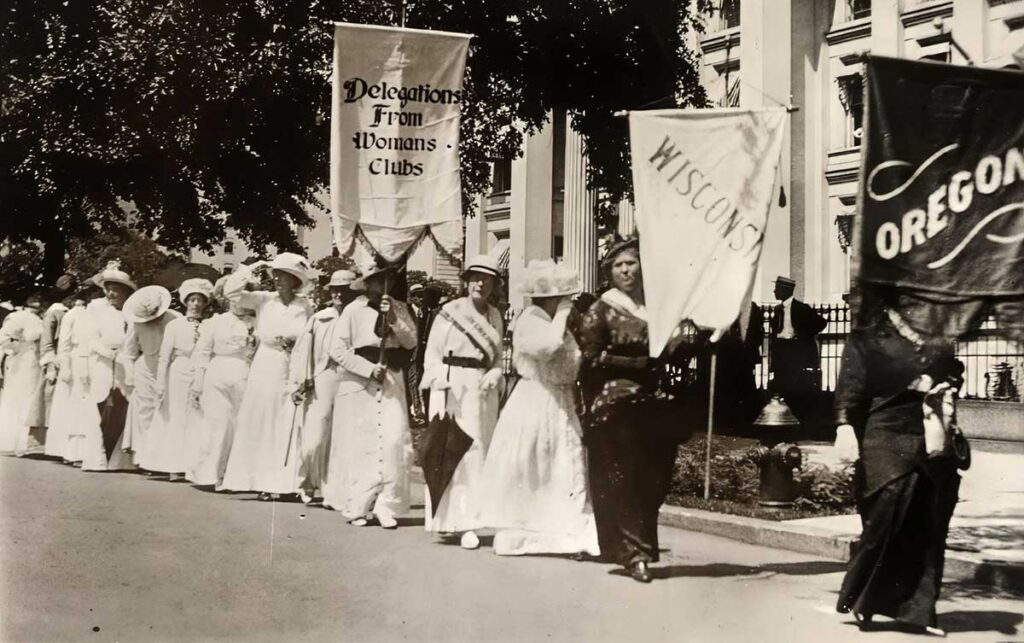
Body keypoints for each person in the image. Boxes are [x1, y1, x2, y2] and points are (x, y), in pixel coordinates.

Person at [577, 238, 705, 582]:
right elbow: (590, 360)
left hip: (654, 404)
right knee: (626, 476)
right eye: (619, 266)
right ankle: (632, 554)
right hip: (615, 404)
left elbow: (672, 352)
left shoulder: (658, 309)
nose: (625, 270)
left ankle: (640, 546)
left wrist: (697, 338)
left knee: (656, 477)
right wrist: (639, 362)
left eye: (631, 264)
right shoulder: (601, 310)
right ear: (610, 272)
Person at [833, 306, 962, 636]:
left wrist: (942, 384)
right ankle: (864, 600)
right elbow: (851, 386)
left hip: (928, 434)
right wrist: (844, 427)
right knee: (890, 504)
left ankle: (917, 612)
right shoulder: (866, 339)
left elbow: (954, 370)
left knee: (930, 517)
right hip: (884, 433)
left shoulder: (937, 336)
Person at [477, 260, 600, 557]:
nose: (566, 304)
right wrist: (562, 316)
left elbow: (571, 359)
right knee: (533, 462)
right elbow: (546, 348)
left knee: (561, 463)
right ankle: (526, 531)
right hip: (535, 398)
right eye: (562, 299)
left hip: (559, 398)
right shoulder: (531, 321)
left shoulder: (557, 325)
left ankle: (565, 530)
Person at [322, 262, 417, 528]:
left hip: (391, 378)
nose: (382, 285)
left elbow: (411, 342)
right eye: (376, 280)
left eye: (386, 279)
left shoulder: (399, 307)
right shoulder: (353, 310)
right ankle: (359, 506)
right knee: (363, 443)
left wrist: (395, 320)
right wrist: (366, 369)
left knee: (393, 439)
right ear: (367, 283)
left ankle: (386, 505)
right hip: (362, 380)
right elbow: (338, 350)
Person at [420, 255, 505, 549]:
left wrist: (495, 373)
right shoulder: (449, 312)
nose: (481, 283)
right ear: (466, 281)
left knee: (479, 451)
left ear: (495, 284)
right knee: (455, 449)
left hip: (483, 390)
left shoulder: (495, 316)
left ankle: (473, 518)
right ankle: (456, 522)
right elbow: (431, 354)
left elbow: (497, 359)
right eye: (475, 277)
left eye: (488, 279)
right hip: (453, 387)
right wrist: (438, 377)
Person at [219, 253, 313, 499]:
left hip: (293, 363)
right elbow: (231, 293)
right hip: (267, 363)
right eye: (276, 275)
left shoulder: (305, 305)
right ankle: (260, 480)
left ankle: (287, 482)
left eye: (284, 276)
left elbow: (310, 334)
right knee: (263, 418)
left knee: (289, 419)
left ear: (295, 280)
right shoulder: (263, 300)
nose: (278, 280)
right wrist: (252, 267)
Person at [289, 269, 359, 503]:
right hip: (323, 377)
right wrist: (304, 379)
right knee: (316, 431)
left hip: (351, 378)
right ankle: (307, 481)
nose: (339, 293)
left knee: (343, 433)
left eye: (345, 289)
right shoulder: (320, 318)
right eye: (335, 289)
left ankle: (334, 487)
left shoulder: (359, 316)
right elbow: (304, 352)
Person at [188, 278, 257, 487]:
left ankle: (235, 477)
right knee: (218, 424)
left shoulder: (255, 323)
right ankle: (210, 474)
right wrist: (197, 383)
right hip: (217, 375)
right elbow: (202, 353)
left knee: (241, 425)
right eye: (233, 297)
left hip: (245, 375)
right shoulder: (215, 322)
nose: (238, 302)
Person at [142, 279, 213, 480]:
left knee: (196, 418)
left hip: (200, 372)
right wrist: (160, 383)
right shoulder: (175, 325)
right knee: (177, 416)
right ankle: (174, 465)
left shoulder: (209, 325)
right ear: (186, 302)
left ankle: (193, 465)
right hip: (179, 371)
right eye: (192, 300)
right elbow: (164, 355)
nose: (196, 304)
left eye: (200, 300)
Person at [72, 262, 136, 471]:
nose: (111, 294)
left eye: (116, 290)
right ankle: (96, 457)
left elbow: (134, 340)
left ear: (126, 292)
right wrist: (107, 352)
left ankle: (117, 459)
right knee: (98, 406)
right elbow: (89, 338)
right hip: (100, 363)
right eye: (108, 289)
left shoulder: (131, 314)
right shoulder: (96, 310)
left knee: (121, 407)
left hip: (124, 365)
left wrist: (126, 355)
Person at [121, 285, 180, 467]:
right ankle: (146, 458)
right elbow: (128, 353)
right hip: (146, 371)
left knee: (168, 412)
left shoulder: (176, 318)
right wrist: (130, 378)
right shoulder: (136, 324)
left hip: (171, 370)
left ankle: (167, 457)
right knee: (146, 412)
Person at [51, 278, 104, 464]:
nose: (94, 296)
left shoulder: (98, 314)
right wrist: (65, 366)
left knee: (90, 406)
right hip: (76, 363)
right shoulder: (73, 314)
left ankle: (89, 450)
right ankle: (73, 452)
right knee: (76, 405)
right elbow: (63, 344)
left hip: (93, 362)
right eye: (92, 293)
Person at [768, 276, 827, 421]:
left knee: (795, 388)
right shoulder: (778, 309)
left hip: (795, 354)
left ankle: (798, 419)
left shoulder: (801, 308)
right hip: (782, 353)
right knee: (781, 387)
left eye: (777, 288)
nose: (774, 291)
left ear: (786, 290)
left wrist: (803, 337)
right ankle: (785, 420)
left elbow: (821, 323)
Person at [0, 293, 47, 455]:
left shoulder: (40, 319)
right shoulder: (16, 317)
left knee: (29, 398)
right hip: (20, 362)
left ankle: (25, 441)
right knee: (16, 397)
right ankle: (10, 441)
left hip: (33, 362)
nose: (37, 302)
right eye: (33, 299)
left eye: (39, 300)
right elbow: (4, 338)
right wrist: (16, 348)